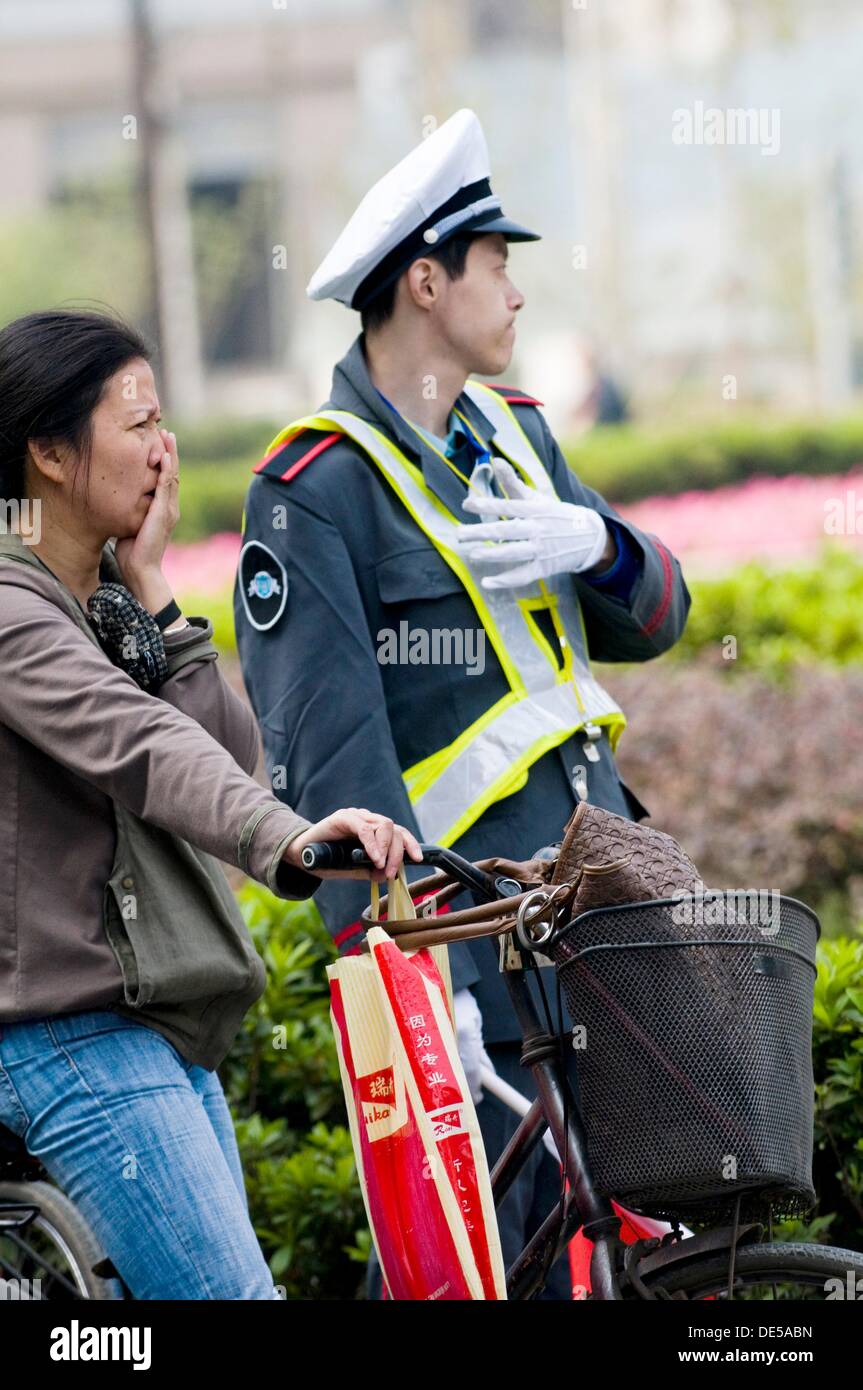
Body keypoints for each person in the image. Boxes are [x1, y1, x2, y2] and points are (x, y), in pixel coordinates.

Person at [234, 109, 691, 1299]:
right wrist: (404, 996)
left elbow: (658, 620)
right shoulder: (312, 490)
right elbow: (331, 764)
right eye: (499, 266)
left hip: (595, 916)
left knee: (636, 1252)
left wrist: (597, 544)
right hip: (464, 956)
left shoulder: (521, 440)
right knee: (487, 1265)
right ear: (426, 283)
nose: (517, 296)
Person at [0, 309, 421, 1300]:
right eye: (139, 424)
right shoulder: (14, 611)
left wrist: (149, 585)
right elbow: (141, 746)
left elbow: (228, 756)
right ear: (52, 454)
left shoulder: (98, 600)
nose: (165, 452)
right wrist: (293, 839)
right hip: (72, 1035)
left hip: (153, 1027)